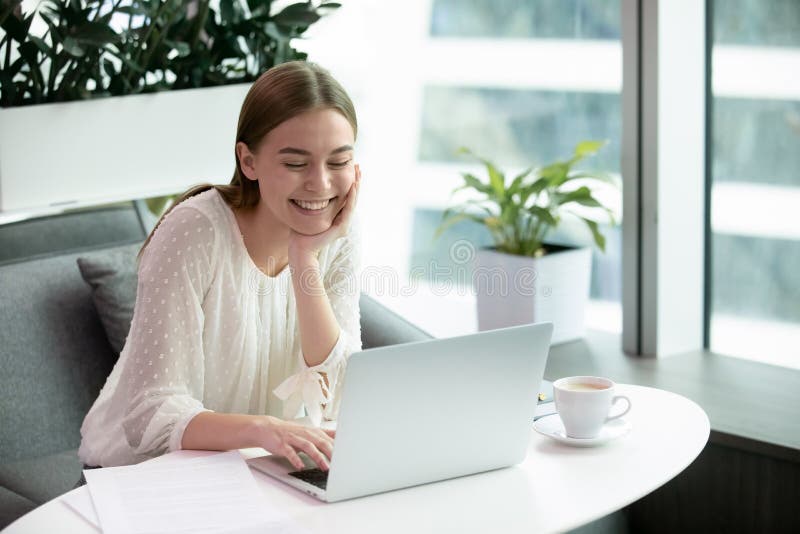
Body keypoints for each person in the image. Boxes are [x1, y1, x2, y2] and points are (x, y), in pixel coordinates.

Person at [78, 61, 362, 474]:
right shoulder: (194, 231)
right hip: (142, 471)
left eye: (338, 163)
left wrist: (305, 260)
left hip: (254, 468)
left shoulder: (339, 236)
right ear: (248, 161)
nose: (320, 184)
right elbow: (151, 411)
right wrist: (263, 429)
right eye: (296, 164)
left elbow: (339, 397)